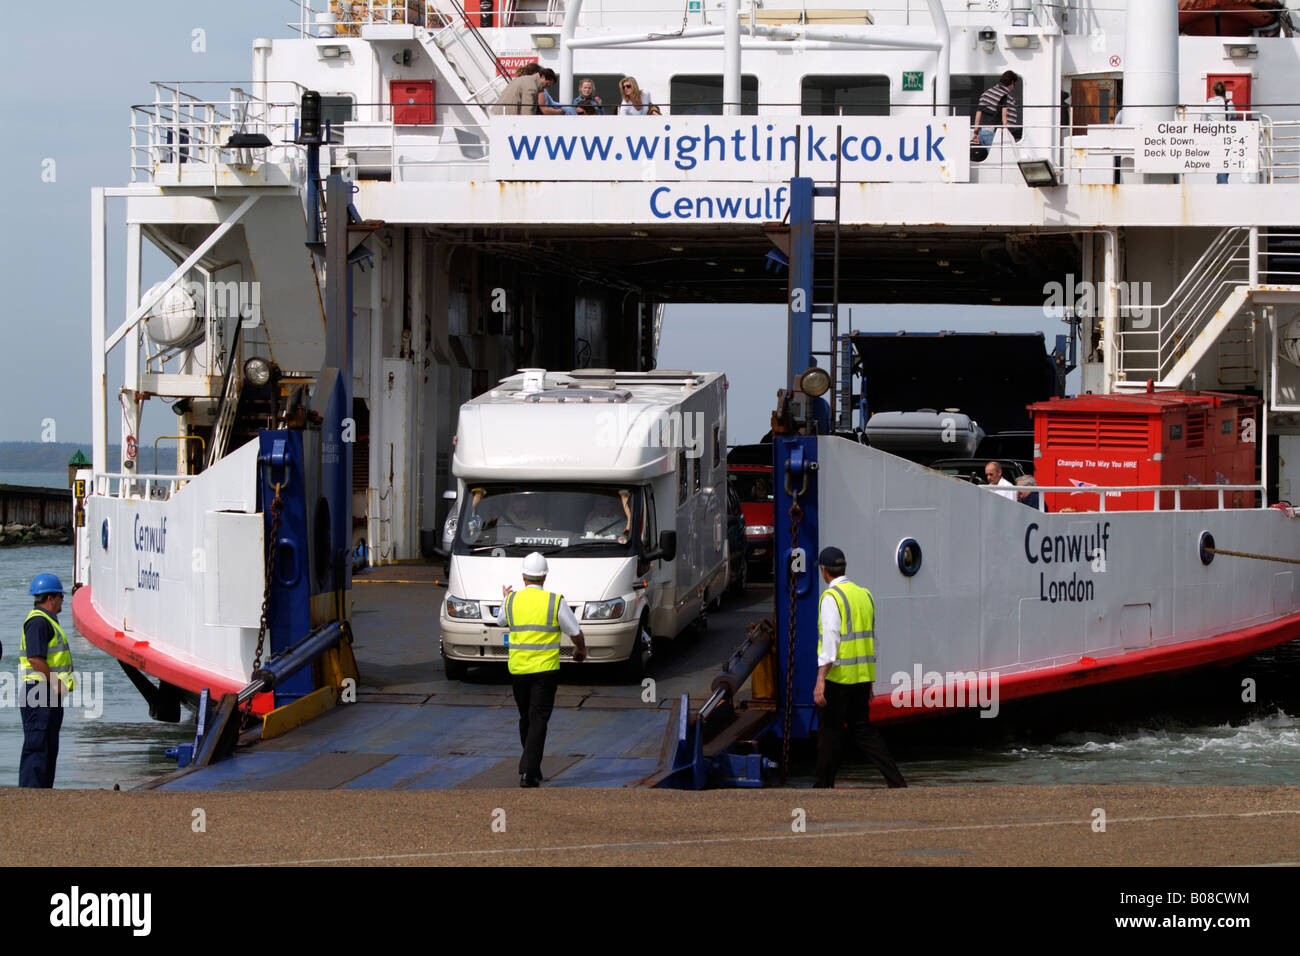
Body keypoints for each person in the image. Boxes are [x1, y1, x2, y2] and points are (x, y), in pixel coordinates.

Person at [813, 547, 906, 789]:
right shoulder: (865, 595)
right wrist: (870, 681)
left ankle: (823, 787)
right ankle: (896, 782)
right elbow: (871, 640)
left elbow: (831, 639)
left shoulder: (831, 598)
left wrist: (820, 679)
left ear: (824, 571)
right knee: (863, 731)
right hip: (862, 678)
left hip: (838, 677)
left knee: (829, 733)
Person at [499, 553, 587, 787]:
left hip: (518, 670)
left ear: (523, 576)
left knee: (526, 718)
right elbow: (575, 632)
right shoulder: (555, 601)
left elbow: (500, 621)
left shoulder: (511, 600)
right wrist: (581, 649)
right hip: (545, 671)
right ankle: (528, 772)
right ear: (545, 576)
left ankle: (532, 767)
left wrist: (506, 598)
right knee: (538, 720)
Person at [19, 573, 75, 789]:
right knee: (37, 744)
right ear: (51, 598)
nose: (63, 601)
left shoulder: (47, 621)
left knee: (48, 746)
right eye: (61, 597)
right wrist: (56, 683)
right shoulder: (38, 622)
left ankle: (42, 794)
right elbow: (35, 658)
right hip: (39, 691)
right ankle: (31, 794)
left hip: (46, 693)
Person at [972, 70, 1019, 147]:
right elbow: (1004, 116)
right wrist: (1007, 133)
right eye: (1014, 84)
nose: (1013, 87)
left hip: (982, 133)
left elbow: (979, 112)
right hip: (993, 134)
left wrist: (975, 131)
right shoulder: (1004, 96)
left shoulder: (986, 93)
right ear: (1011, 82)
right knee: (1000, 157)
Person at [1204, 82, 1234, 183]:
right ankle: (1222, 183)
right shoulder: (1229, 104)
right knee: (1224, 164)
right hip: (1227, 137)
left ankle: (1221, 184)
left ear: (1213, 92)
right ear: (1225, 92)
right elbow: (1234, 119)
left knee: (1220, 163)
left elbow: (1202, 122)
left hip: (1213, 138)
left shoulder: (1207, 105)